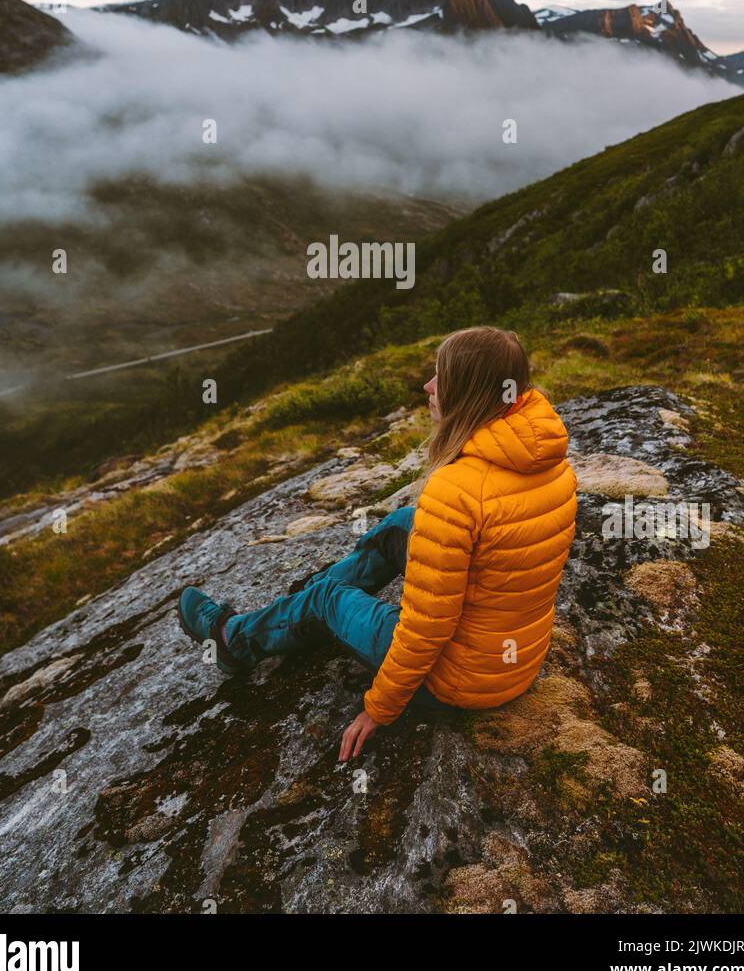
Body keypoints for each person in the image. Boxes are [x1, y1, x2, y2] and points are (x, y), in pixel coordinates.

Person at [178, 325, 577, 762]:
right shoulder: (549, 461)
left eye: (440, 376)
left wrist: (380, 708)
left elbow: (429, 628)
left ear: (467, 391)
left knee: (330, 597)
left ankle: (233, 642)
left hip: (457, 680)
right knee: (407, 521)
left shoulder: (458, 489)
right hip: (513, 663)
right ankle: (305, 606)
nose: (428, 386)